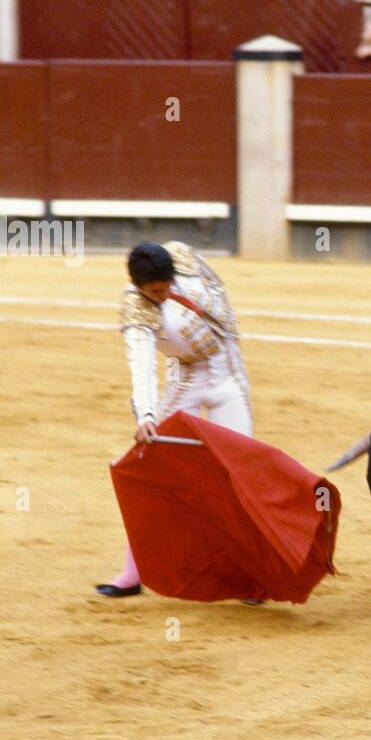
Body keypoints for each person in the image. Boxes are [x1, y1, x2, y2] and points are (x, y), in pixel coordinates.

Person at [97, 241, 252, 598]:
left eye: (167, 285)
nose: (164, 294)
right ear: (138, 287)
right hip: (187, 378)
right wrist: (147, 415)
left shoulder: (183, 257)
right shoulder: (136, 309)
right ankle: (132, 573)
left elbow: (221, 301)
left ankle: (248, 574)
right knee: (153, 472)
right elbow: (142, 365)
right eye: (155, 291)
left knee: (238, 476)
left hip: (228, 373)